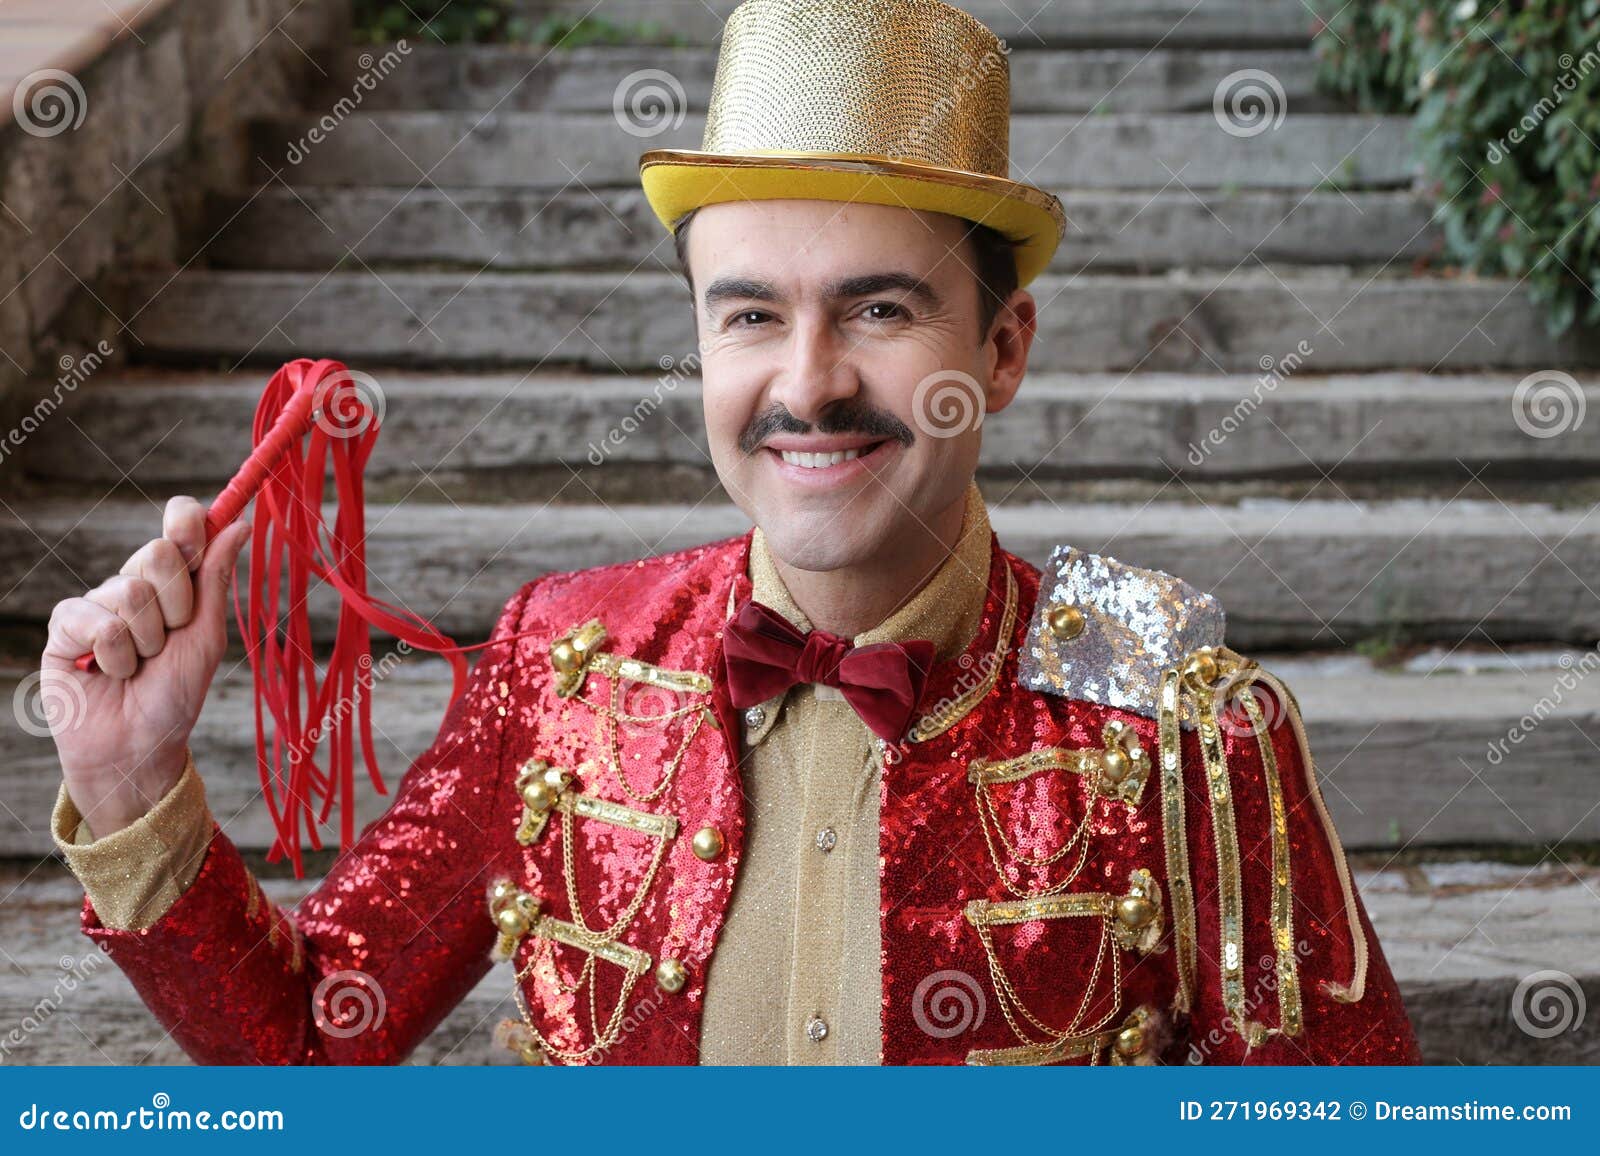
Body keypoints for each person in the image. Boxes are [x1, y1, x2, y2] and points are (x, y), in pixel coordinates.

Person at [41, 0, 1421, 1065]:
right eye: (751, 314)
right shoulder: (560, 661)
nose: (808, 382)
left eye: (880, 310)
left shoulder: (1173, 705)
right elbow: (309, 1047)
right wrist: (129, 779)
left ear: (1001, 349)